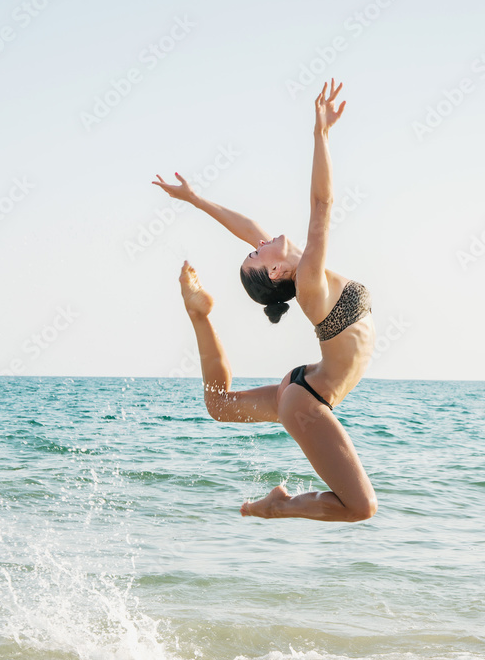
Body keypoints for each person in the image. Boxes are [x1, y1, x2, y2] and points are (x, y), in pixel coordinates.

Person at [152, 80, 377, 522]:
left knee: (219, 404)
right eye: (258, 253)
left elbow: (246, 226)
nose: (261, 241)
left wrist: (195, 199)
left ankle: (200, 316)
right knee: (362, 507)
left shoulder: (298, 274)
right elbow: (322, 203)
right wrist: (321, 135)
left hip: (303, 386)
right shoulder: (310, 281)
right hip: (308, 400)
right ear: (276, 273)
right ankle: (279, 507)